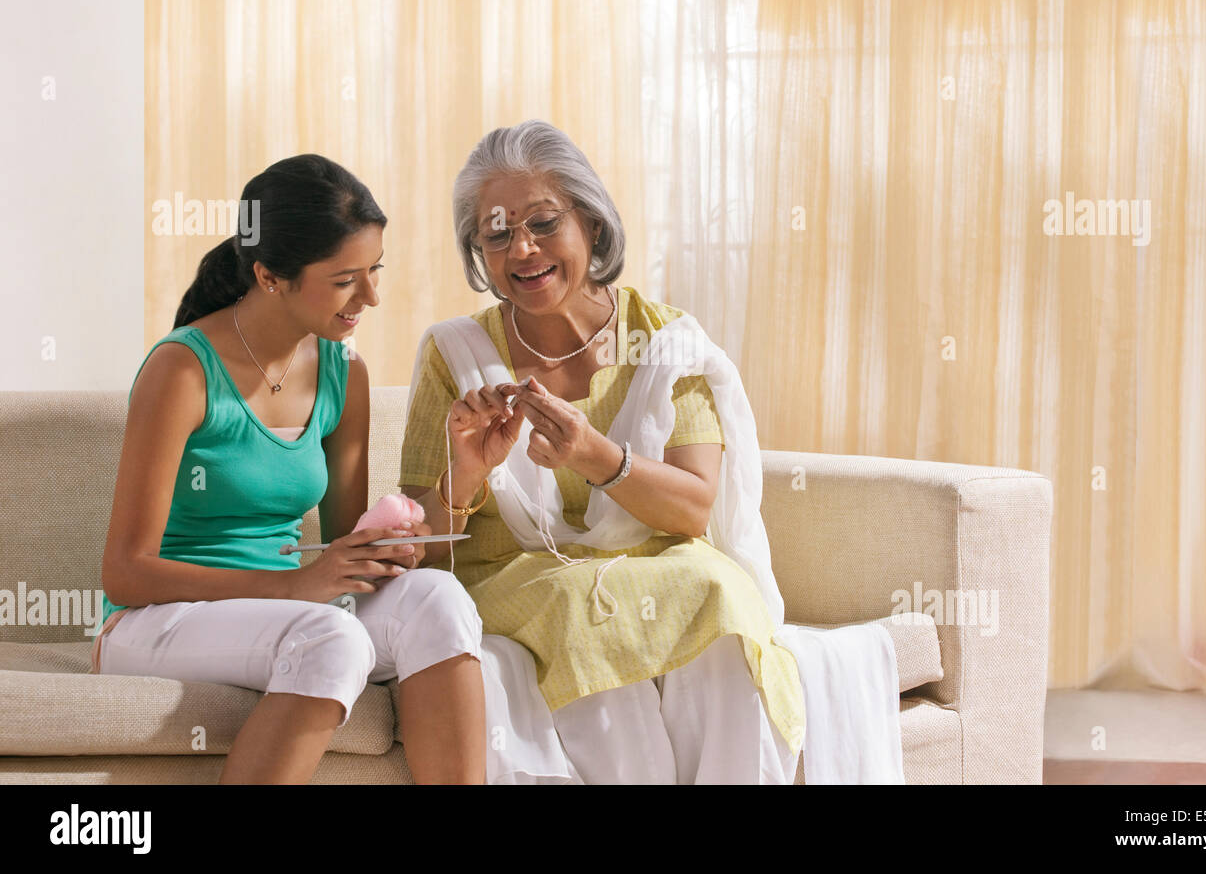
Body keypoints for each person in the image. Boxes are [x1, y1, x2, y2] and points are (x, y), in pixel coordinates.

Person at [399, 121, 806, 784]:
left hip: (656, 565)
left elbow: (692, 510)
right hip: (519, 582)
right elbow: (417, 545)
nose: (522, 249)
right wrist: (466, 473)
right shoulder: (454, 354)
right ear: (479, 250)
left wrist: (594, 454)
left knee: (720, 594)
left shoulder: (665, 341)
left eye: (542, 222)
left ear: (589, 223)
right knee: (584, 602)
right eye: (497, 233)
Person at [95, 154, 486, 784]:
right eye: (345, 279)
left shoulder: (342, 372)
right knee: (332, 638)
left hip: (284, 611)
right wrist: (297, 586)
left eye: (375, 270)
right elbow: (126, 572)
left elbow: (344, 546)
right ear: (271, 277)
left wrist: (414, 521)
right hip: (157, 620)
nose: (372, 296)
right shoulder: (184, 370)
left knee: (438, 600)